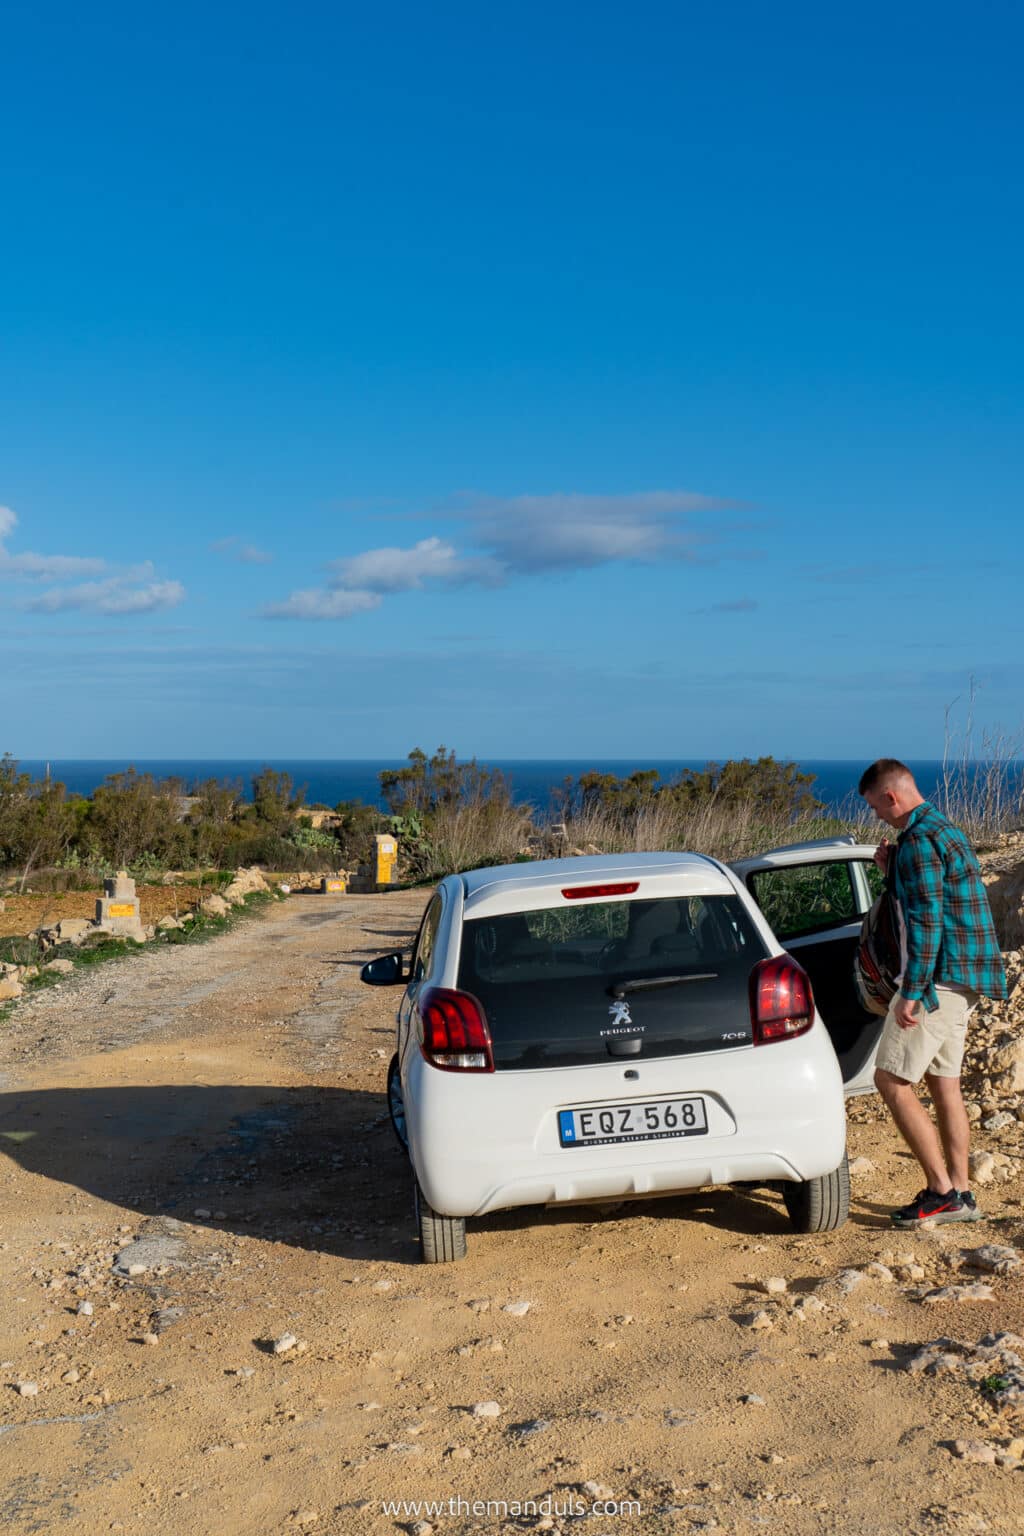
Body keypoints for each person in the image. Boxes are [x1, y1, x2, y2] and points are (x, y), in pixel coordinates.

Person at [858, 758, 1006, 1227]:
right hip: (964, 980)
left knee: (891, 1081)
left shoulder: (918, 842)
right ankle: (961, 1191)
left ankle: (941, 1191)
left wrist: (913, 991)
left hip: (935, 981)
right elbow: (927, 898)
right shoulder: (944, 830)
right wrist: (891, 869)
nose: (877, 816)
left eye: (875, 807)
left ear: (891, 797)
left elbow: (925, 922)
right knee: (945, 1084)